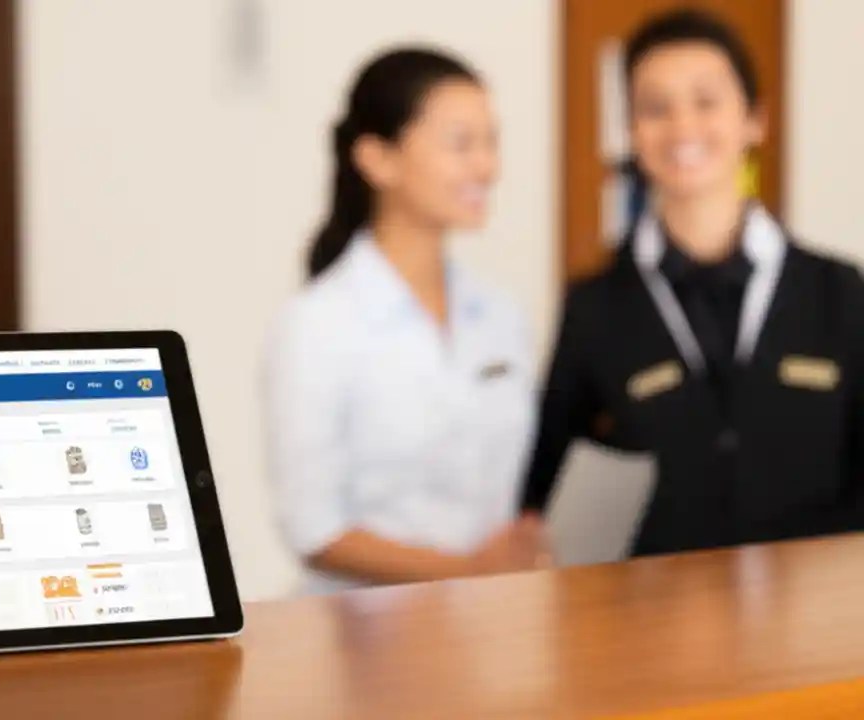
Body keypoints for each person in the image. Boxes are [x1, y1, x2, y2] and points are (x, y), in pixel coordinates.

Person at [522, 10, 864, 556]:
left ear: (755, 119)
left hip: (819, 624)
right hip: (655, 623)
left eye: (706, 102)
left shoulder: (839, 292)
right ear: (632, 131)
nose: (683, 128)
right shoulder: (596, 308)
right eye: (655, 108)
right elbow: (545, 489)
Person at [263, 48, 547, 593]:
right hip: (360, 644)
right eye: (461, 143)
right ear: (377, 159)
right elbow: (315, 531)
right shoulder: (317, 325)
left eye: (491, 141)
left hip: (491, 633)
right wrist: (469, 575)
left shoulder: (499, 316)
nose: (486, 166)